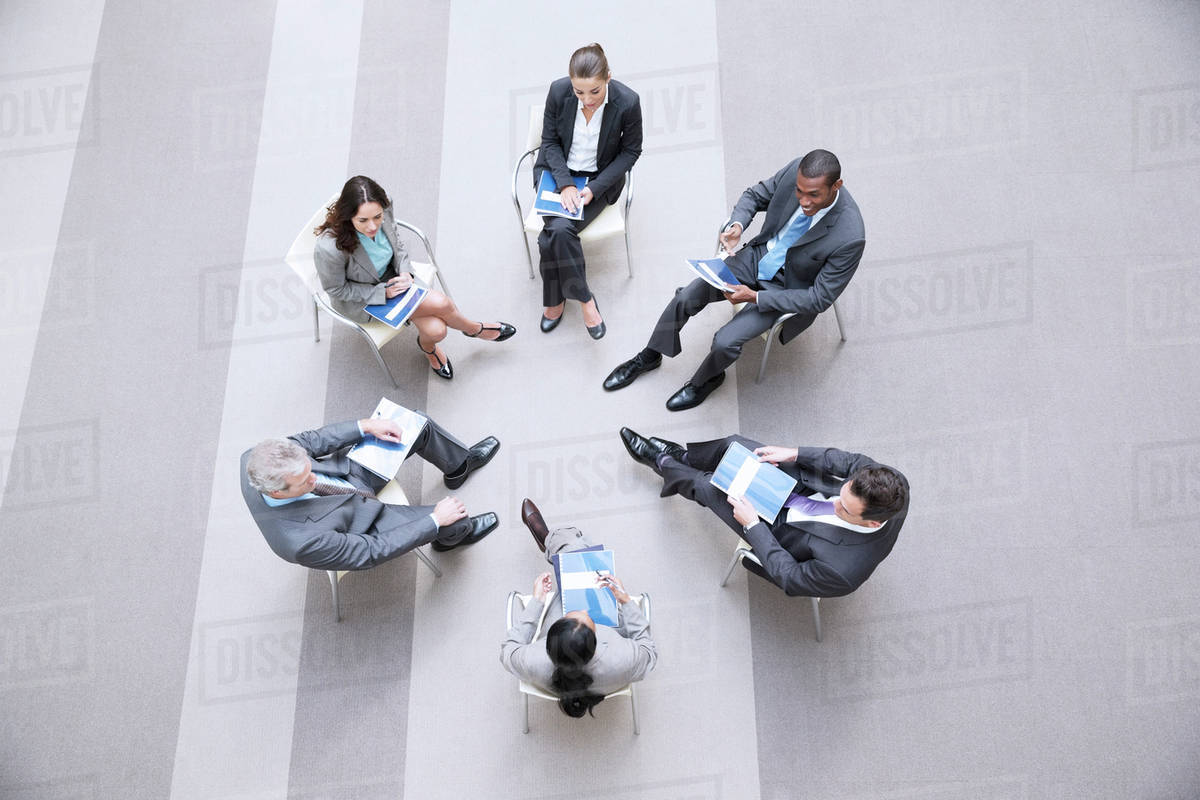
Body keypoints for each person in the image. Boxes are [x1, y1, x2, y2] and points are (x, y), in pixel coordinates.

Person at [603, 150, 865, 410]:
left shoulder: (850, 235)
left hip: (786, 289)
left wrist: (755, 297)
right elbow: (755, 195)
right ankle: (651, 354)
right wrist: (738, 226)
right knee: (685, 297)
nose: (804, 201)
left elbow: (818, 299)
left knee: (725, 342)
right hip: (759, 256)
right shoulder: (798, 170)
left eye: (813, 195)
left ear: (836, 186)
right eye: (800, 192)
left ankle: (706, 380)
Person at [619, 428, 908, 597]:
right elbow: (850, 462)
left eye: (844, 509)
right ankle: (684, 455)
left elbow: (791, 576)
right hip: (803, 489)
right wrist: (795, 453)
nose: (836, 504)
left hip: (779, 531)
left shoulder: (843, 571)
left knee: (706, 485)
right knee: (734, 447)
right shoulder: (892, 482)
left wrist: (753, 526)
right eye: (842, 493)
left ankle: (661, 461)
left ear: (872, 521)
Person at [314, 175, 516, 379]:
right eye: (363, 220)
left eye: (377, 217)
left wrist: (405, 271)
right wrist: (382, 292)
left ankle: (429, 348)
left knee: (437, 331)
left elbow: (397, 243)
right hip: (365, 297)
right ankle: (475, 329)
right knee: (442, 305)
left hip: (395, 277)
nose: (373, 226)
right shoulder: (329, 248)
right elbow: (336, 289)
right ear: (348, 216)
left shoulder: (385, 204)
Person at [241, 415, 502, 571]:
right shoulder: (302, 543)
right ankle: (447, 540)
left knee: (414, 424)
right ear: (277, 492)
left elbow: (310, 441)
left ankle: (458, 466)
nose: (313, 478)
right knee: (456, 522)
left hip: (347, 473)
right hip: (365, 525)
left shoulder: (255, 457)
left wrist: (364, 426)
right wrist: (433, 522)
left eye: (310, 470)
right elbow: (370, 552)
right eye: (304, 481)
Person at [500, 499, 657, 717]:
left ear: (549, 640)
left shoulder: (533, 661)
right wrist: (625, 601)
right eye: (584, 617)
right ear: (596, 640)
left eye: (571, 615)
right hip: (612, 643)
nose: (583, 610)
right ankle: (555, 543)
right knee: (581, 557)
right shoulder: (624, 659)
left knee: (572, 559)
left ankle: (552, 543)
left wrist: (537, 601)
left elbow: (508, 650)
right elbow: (649, 650)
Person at [533, 43, 643, 339]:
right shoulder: (558, 91)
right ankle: (585, 299)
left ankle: (554, 299)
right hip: (556, 175)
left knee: (552, 235)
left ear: (608, 77)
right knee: (560, 230)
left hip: (598, 179)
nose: (587, 100)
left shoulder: (628, 102)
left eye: (594, 91)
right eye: (579, 92)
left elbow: (631, 152)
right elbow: (550, 142)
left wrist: (594, 188)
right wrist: (565, 183)